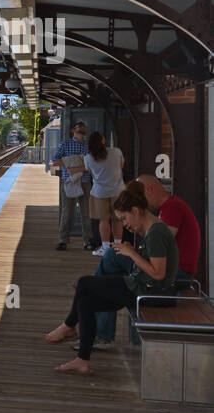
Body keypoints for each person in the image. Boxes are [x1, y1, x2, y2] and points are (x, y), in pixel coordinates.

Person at [44, 180, 179, 374]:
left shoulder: (156, 232)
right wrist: (133, 252)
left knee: (84, 283)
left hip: (149, 292)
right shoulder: (152, 229)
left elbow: (159, 273)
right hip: (142, 286)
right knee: (86, 303)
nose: (124, 224)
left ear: (135, 211)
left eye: (124, 219)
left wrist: (131, 254)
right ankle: (82, 359)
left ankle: (68, 327)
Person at [95, 173, 203, 345]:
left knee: (111, 259)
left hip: (177, 273)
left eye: (138, 196)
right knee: (111, 268)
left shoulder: (172, 208)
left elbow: (159, 247)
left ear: (149, 190)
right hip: (173, 270)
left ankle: (102, 332)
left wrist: (132, 252)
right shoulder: (169, 208)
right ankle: (100, 324)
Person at [48, 120, 92, 251]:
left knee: (86, 213)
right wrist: (73, 162)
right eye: (79, 129)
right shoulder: (65, 144)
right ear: (73, 130)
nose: (81, 132)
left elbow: (91, 165)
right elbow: (55, 161)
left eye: (83, 130)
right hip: (69, 182)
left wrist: (75, 167)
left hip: (85, 181)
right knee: (67, 212)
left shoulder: (88, 146)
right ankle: (63, 240)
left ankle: (87, 240)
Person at [83, 132, 125, 255]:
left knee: (104, 220)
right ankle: (118, 246)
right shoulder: (116, 152)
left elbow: (90, 172)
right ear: (103, 140)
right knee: (117, 219)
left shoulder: (88, 158)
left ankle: (105, 248)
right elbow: (121, 165)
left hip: (100, 192)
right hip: (118, 191)